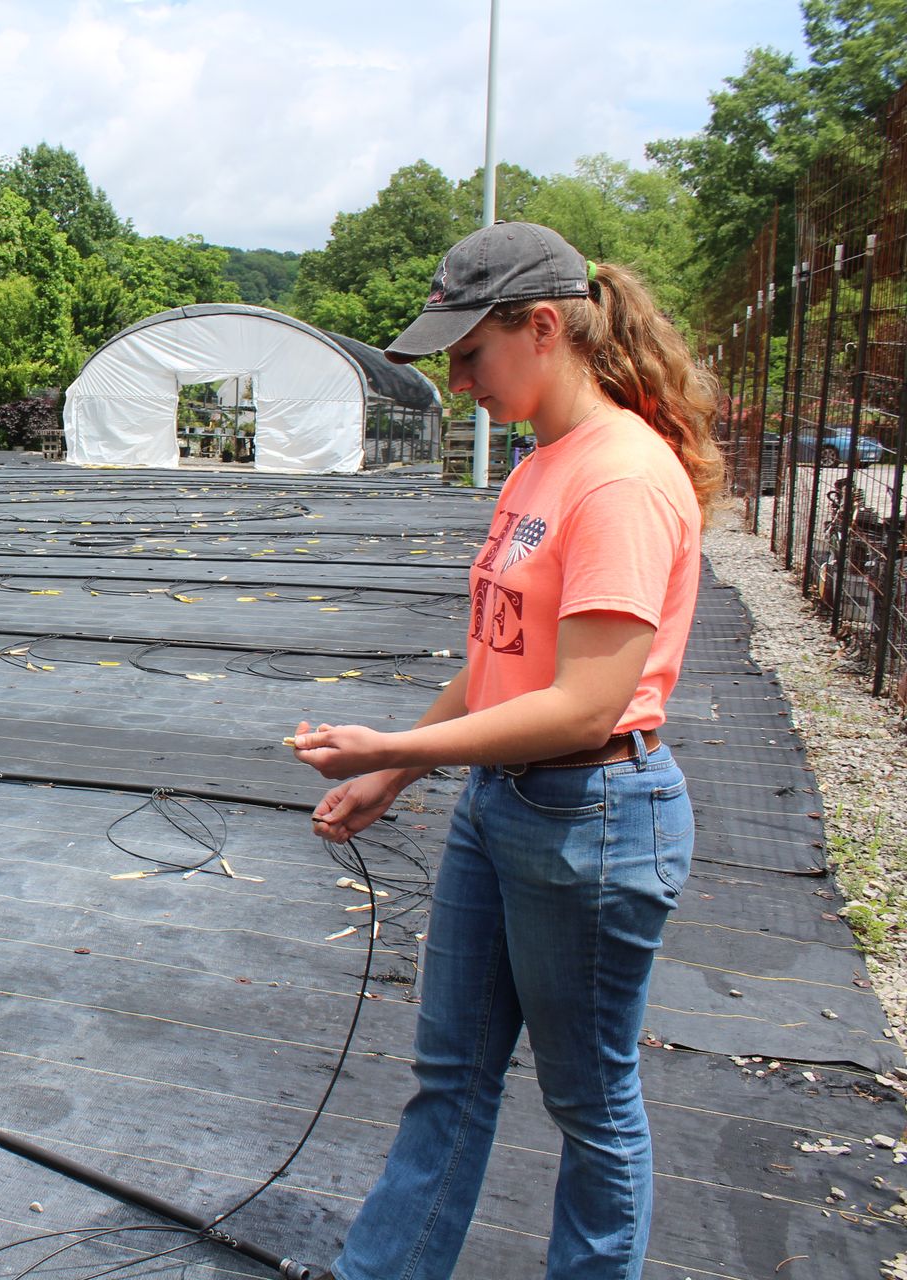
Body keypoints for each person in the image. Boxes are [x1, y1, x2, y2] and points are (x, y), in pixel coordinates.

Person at [288, 221, 723, 1280]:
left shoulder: (619, 479)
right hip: (505, 808)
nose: (459, 377)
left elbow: (584, 706)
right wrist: (402, 765)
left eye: (470, 353)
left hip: (594, 818)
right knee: (453, 1073)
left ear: (543, 325)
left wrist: (395, 740)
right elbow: (502, 655)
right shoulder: (543, 462)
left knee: (588, 1100)